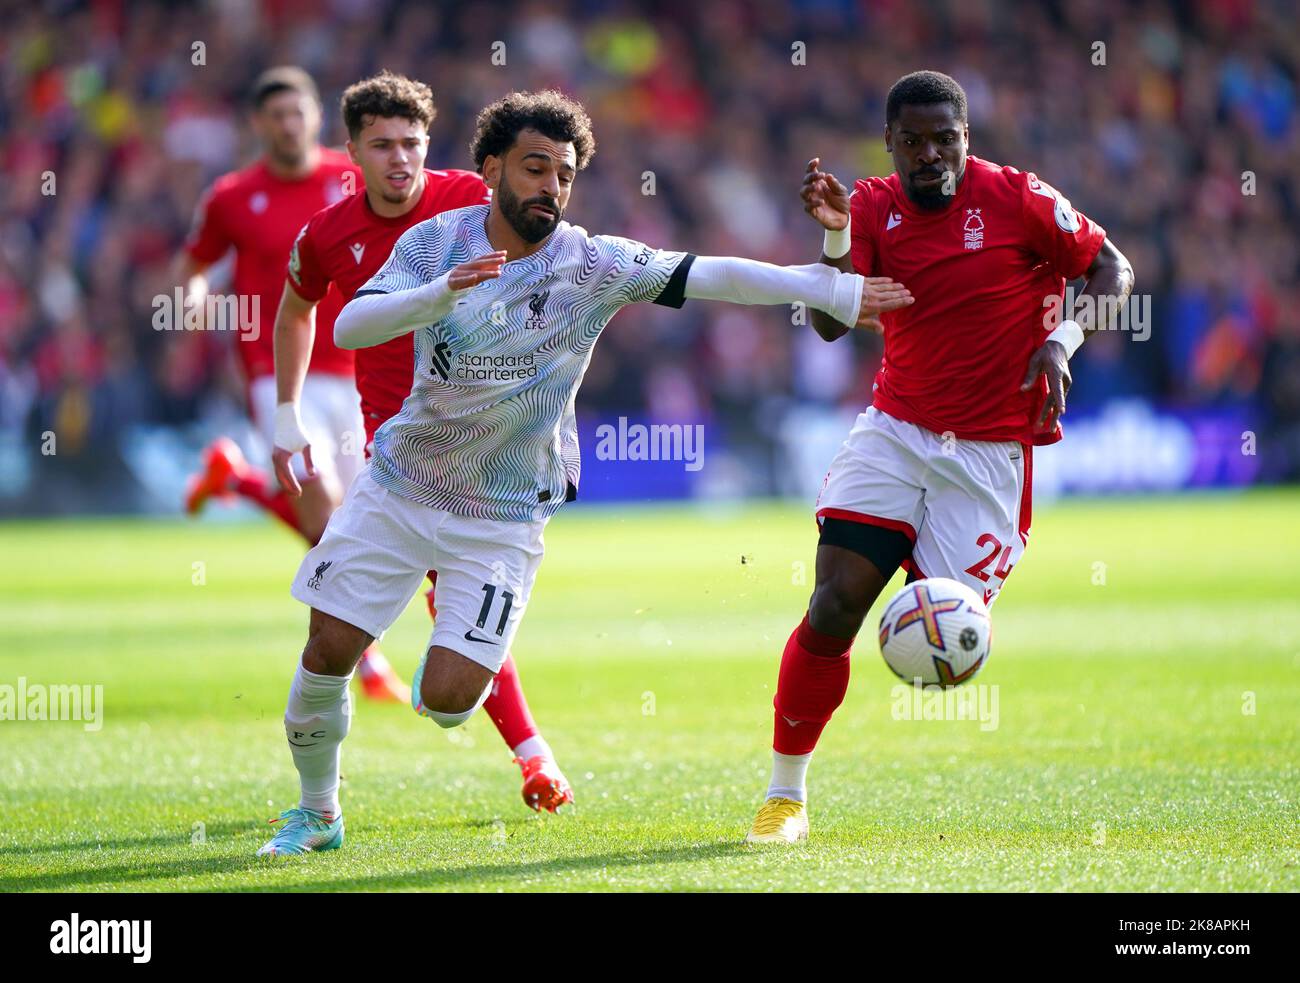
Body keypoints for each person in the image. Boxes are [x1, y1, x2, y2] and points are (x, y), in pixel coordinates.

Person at [257, 89, 911, 856]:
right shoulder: (436, 243)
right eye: (536, 169)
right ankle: (317, 811)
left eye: (565, 175)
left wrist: (823, 284)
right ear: (493, 167)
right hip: (400, 484)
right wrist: (439, 293)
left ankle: (488, 723)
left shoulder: (592, 263)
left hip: (501, 515)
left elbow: (714, 275)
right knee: (325, 652)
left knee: (446, 703)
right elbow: (347, 323)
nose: (552, 189)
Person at [744, 70, 1135, 845]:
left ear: (966, 140)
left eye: (944, 140)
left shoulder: (1017, 198)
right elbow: (828, 326)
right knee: (832, 608)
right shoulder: (866, 207)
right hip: (898, 432)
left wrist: (1063, 339)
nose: (931, 155)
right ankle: (784, 795)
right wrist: (831, 239)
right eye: (913, 141)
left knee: (945, 634)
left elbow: (1112, 269)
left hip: (991, 455)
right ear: (889, 144)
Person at [271, 71, 571, 812]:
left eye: (411, 143)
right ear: (351, 152)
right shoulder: (329, 235)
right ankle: (326, 805)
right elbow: (295, 312)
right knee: (336, 638)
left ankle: (527, 750)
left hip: (483, 446)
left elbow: (558, 271)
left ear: (428, 145)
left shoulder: (475, 198)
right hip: (394, 446)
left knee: (453, 618)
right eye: (381, 145)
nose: (399, 160)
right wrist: (286, 411)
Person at [176, 66, 406, 702]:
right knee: (325, 505)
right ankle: (366, 658)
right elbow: (194, 265)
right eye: (275, 115)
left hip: (364, 366)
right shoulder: (231, 195)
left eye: (297, 112)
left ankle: (240, 481)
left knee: (354, 519)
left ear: (315, 116)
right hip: (281, 372)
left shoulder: (353, 175)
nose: (288, 124)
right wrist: (192, 299)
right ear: (259, 124)